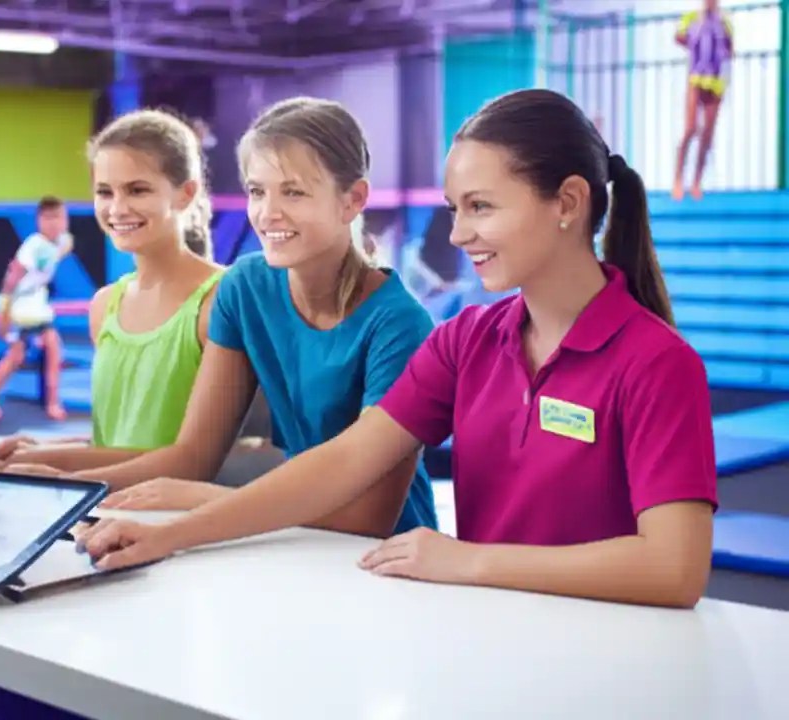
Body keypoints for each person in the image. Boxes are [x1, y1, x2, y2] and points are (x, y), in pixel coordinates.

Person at [79, 88, 718, 610]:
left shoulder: (656, 363)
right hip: (488, 625)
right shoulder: (467, 341)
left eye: (481, 207)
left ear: (568, 204)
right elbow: (342, 463)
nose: (458, 232)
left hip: (609, 649)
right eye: (453, 208)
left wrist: (471, 559)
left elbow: (673, 569)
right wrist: (176, 535)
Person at [9, 98, 439, 539]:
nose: (267, 213)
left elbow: (368, 516)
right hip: (290, 536)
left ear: (353, 200)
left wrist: (204, 499)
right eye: (257, 190)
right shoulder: (246, 287)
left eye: (293, 191)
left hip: (388, 554)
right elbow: (194, 454)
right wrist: (46, 477)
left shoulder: (399, 325)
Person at [0, 109, 224, 472]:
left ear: (185, 194)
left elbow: (200, 459)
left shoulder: (221, 299)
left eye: (137, 190)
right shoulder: (106, 305)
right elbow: (121, 442)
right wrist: (42, 449)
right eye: (104, 192)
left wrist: (58, 468)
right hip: (110, 518)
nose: (117, 208)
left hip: (181, 520)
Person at [0, 196, 73, 421]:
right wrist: (2, 314)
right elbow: (12, 280)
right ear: (39, 220)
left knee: (53, 347)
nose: (53, 223)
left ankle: (52, 402)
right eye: (47, 218)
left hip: (37, 303)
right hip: (18, 305)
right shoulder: (33, 245)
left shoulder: (61, 241)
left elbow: (66, 245)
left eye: (58, 217)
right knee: (15, 356)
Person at [672, 0, 733, 201]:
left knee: (707, 134)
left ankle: (696, 181)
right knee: (691, 128)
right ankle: (678, 178)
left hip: (715, 81)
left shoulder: (724, 22)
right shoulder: (692, 18)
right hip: (696, 78)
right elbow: (679, 37)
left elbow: (730, 50)